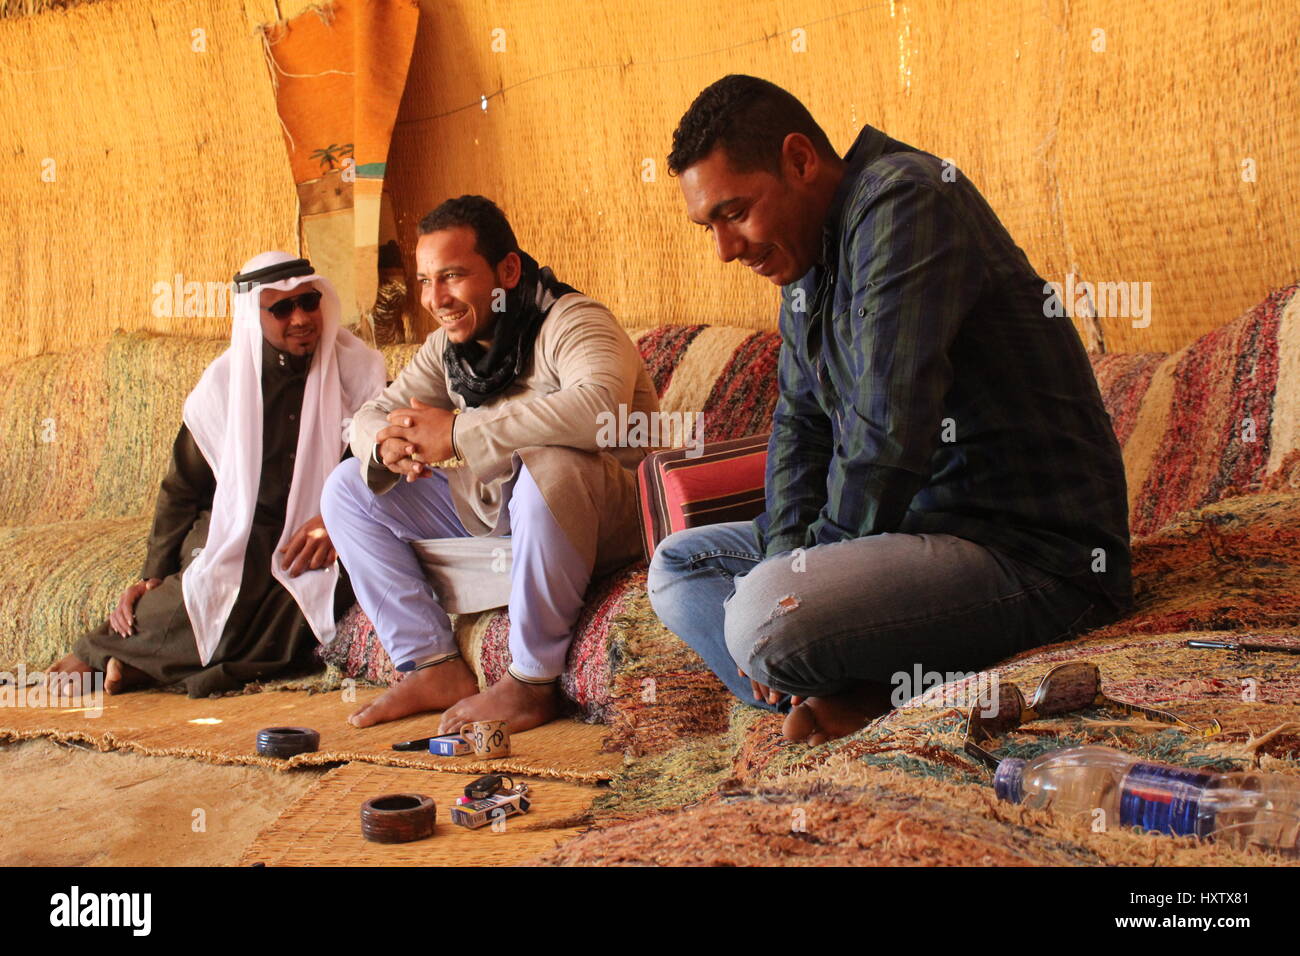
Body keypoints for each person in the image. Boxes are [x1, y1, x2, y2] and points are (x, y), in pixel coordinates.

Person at [647, 75, 1133, 745]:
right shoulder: (802, 260)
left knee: (763, 614)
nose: (726, 249)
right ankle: (850, 691)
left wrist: (793, 589)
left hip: (1028, 556)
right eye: (710, 225)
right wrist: (788, 564)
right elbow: (801, 430)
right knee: (679, 567)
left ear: (799, 159)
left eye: (735, 212)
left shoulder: (905, 199)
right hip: (908, 540)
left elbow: (885, 432)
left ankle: (864, 690)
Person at [321, 195, 656, 733]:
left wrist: (454, 432)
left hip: (600, 512)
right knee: (347, 489)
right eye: (427, 280)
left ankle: (531, 681)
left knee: (549, 462)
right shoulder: (450, 345)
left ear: (508, 270)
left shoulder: (574, 321)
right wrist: (384, 444)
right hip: (501, 503)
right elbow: (371, 413)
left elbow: (602, 411)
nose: (436, 298)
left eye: (452, 276)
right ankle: (432, 663)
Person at [45, 252, 386, 698]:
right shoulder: (223, 386)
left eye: (308, 302)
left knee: (313, 597)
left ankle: (143, 668)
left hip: (315, 534)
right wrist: (153, 573)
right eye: (281, 308)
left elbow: (379, 461)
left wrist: (336, 524)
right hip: (236, 526)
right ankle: (97, 652)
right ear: (252, 315)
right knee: (209, 587)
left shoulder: (357, 370)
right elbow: (182, 490)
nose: (301, 318)